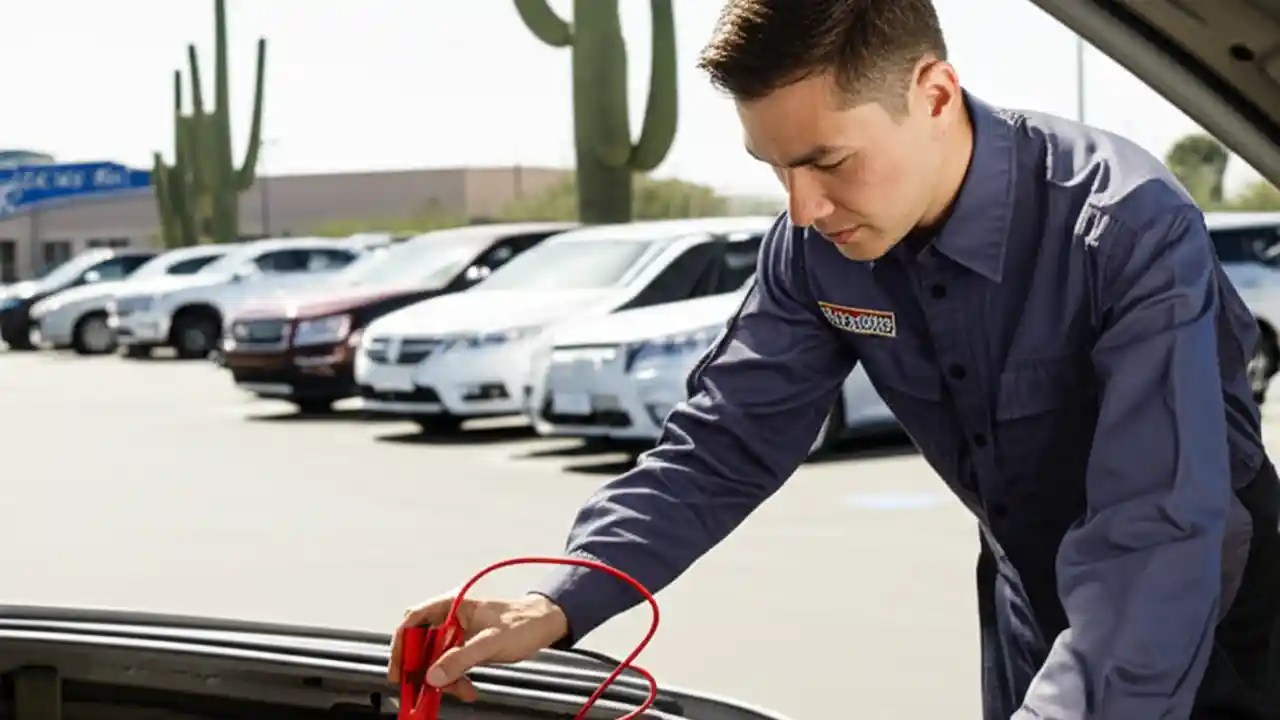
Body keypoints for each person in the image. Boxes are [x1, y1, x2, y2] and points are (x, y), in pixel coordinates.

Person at [388, 1, 1280, 716]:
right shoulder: (814, 247)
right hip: (1028, 614)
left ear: (933, 94)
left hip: (1201, 607)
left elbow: (1155, 532)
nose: (803, 207)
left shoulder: (1122, 227)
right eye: (775, 168)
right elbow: (724, 441)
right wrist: (563, 598)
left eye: (828, 162)